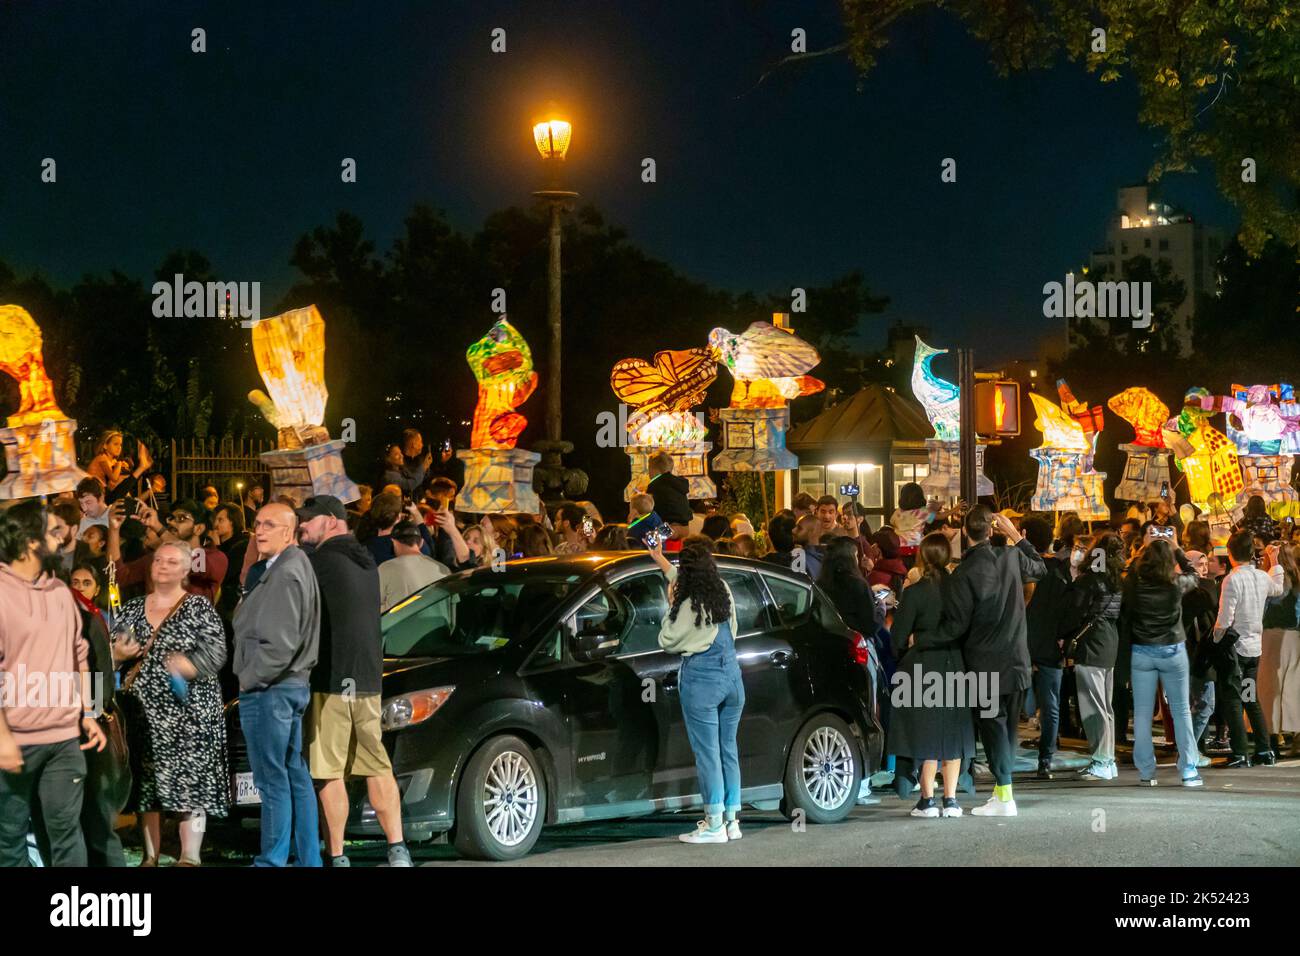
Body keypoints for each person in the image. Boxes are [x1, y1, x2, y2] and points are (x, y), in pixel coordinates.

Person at [297, 496, 412, 867]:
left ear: (330, 521)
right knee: (375, 764)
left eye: (307, 522)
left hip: (332, 679)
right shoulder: (365, 560)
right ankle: (398, 848)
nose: (302, 529)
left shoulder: (320, 561)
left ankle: (338, 855)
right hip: (366, 679)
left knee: (328, 771)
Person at [0, 500, 106, 867]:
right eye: (51, 531)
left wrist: (90, 712)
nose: (60, 537)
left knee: (66, 833)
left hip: (63, 739)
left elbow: (82, 654)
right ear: (30, 541)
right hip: (15, 739)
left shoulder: (61, 593)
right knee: (8, 838)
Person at [112, 542, 229, 865]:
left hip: (190, 714)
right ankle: (150, 856)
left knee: (193, 784)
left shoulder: (198, 608)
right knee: (147, 786)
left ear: (185, 569)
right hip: (144, 714)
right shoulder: (131, 609)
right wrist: (117, 655)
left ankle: (189, 856)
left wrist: (188, 665)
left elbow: (217, 652)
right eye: (159, 560)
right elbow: (109, 651)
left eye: (172, 561)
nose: (163, 565)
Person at [233, 502, 322, 867]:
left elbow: (279, 644)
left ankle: (271, 861)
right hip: (285, 686)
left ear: (289, 532)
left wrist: (249, 679)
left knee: (272, 779)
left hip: (271, 689)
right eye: (257, 524)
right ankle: (308, 858)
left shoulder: (286, 571)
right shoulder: (286, 566)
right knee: (293, 774)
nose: (260, 530)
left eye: (269, 525)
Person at [941, 505, 1045, 817]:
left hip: (983, 666)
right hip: (1016, 659)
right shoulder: (1011, 557)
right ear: (991, 531)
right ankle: (1002, 792)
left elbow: (957, 625)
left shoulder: (962, 574)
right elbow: (1041, 568)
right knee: (1008, 730)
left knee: (994, 729)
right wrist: (1015, 535)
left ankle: (1005, 795)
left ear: (964, 533)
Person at [646, 538, 744, 844]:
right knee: (728, 749)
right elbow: (734, 628)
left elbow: (667, 639)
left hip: (702, 680)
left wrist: (670, 603)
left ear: (685, 571)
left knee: (707, 754)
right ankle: (731, 821)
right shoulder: (722, 590)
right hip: (733, 678)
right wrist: (660, 561)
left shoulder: (688, 605)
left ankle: (713, 824)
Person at [890, 533, 976, 818]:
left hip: (921, 668)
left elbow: (898, 638)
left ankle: (927, 801)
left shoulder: (914, 592)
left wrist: (917, 639)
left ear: (922, 557)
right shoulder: (959, 588)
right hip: (954, 665)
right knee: (951, 730)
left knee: (925, 734)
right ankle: (951, 800)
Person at [1120, 539, 1205, 787]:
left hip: (1142, 652)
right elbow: (1193, 574)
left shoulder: (1134, 585)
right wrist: (1177, 549)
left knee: (1143, 714)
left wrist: (1142, 550)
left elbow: (1130, 572)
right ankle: (1189, 769)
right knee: (1180, 710)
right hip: (1172, 649)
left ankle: (1146, 771)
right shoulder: (1175, 585)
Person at [1211, 530, 1284, 767]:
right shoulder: (1262, 577)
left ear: (1230, 553)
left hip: (1235, 650)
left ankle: (1240, 752)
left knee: (1232, 700)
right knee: (1250, 698)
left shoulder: (1232, 579)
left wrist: (1215, 639)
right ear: (1252, 553)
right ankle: (1264, 750)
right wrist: (1274, 561)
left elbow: (1224, 619)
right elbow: (1278, 588)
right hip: (1254, 649)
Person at [1061, 532, 1124, 781]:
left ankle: (1101, 760)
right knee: (1105, 706)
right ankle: (1106, 759)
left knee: (1092, 705)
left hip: (1093, 642)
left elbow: (1075, 611)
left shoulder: (1090, 580)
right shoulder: (1118, 580)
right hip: (1110, 639)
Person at [108, 499, 228, 606]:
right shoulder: (156, 558)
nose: (171, 523)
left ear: (199, 529)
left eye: (181, 518)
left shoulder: (215, 558)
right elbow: (118, 576)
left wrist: (158, 526)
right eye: (171, 518)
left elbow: (195, 563)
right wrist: (113, 529)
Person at [1022, 516, 1071, 779]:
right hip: (1052, 643)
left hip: (1023, 643)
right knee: (1051, 704)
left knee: (1016, 701)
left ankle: (1003, 760)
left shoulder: (1023, 567)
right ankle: (1045, 760)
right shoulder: (1060, 570)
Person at [379, 519, 449, 612]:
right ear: (421, 543)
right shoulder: (444, 570)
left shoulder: (386, 568)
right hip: (436, 625)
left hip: (399, 626)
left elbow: (370, 603)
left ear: (394, 542)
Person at [86, 430, 153, 499]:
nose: (119, 448)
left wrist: (122, 466)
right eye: (115, 444)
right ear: (105, 446)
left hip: (103, 492)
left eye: (120, 445)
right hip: (95, 495)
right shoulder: (101, 458)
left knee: (123, 482)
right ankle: (141, 468)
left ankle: (142, 470)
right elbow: (114, 478)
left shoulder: (112, 460)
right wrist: (119, 465)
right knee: (120, 484)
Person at [646, 451, 692, 537]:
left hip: (667, 529)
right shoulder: (679, 484)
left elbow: (648, 510)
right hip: (685, 529)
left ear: (653, 469)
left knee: (643, 537)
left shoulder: (655, 485)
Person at [889, 482, 931, 555]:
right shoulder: (923, 511)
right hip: (917, 548)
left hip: (899, 548)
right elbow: (934, 518)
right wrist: (955, 509)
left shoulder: (898, 511)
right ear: (920, 497)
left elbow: (892, 522)